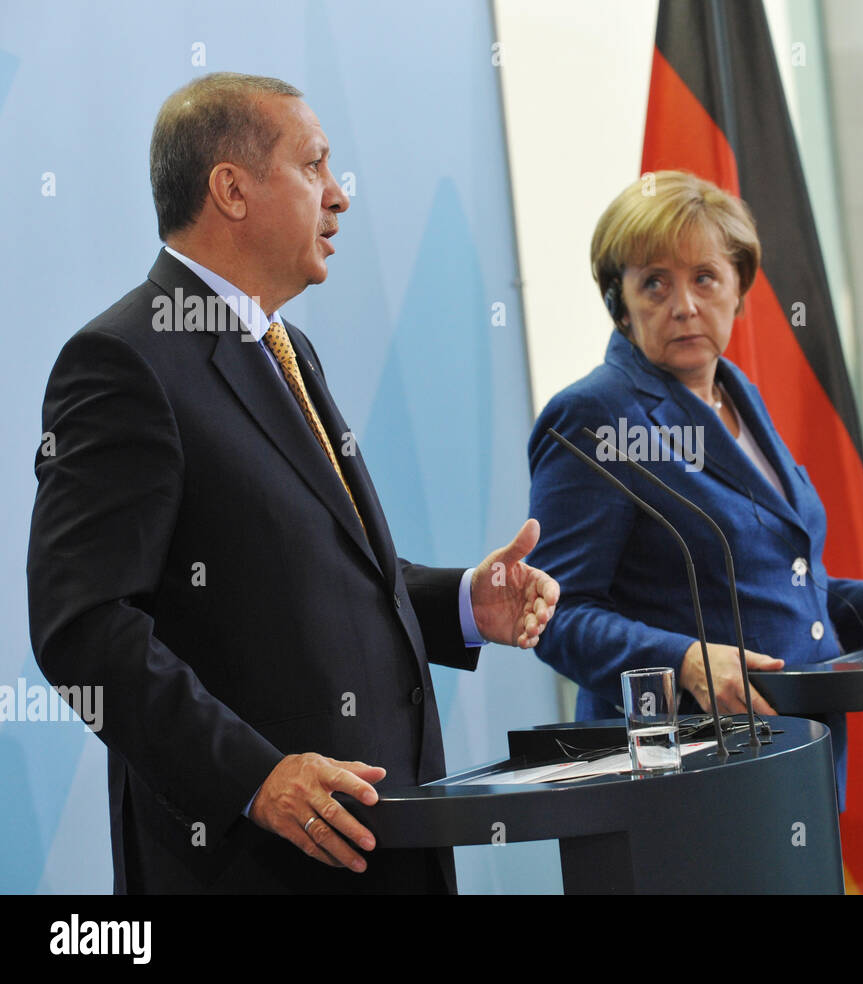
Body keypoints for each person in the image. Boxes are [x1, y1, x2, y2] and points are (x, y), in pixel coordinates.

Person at [26, 73, 559, 894]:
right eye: (314, 167)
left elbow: (310, 583)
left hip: (381, 837)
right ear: (231, 190)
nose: (339, 197)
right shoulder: (124, 361)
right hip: (250, 864)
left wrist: (462, 603)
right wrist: (255, 777)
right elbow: (82, 629)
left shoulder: (285, 348)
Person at [526, 171, 863, 796]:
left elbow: (760, 575)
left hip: (794, 754)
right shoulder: (595, 415)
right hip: (686, 778)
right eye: (654, 283)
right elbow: (558, 614)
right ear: (620, 302)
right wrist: (684, 661)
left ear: (739, 287)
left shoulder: (738, 394)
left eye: (704, 278)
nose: (685, 305)